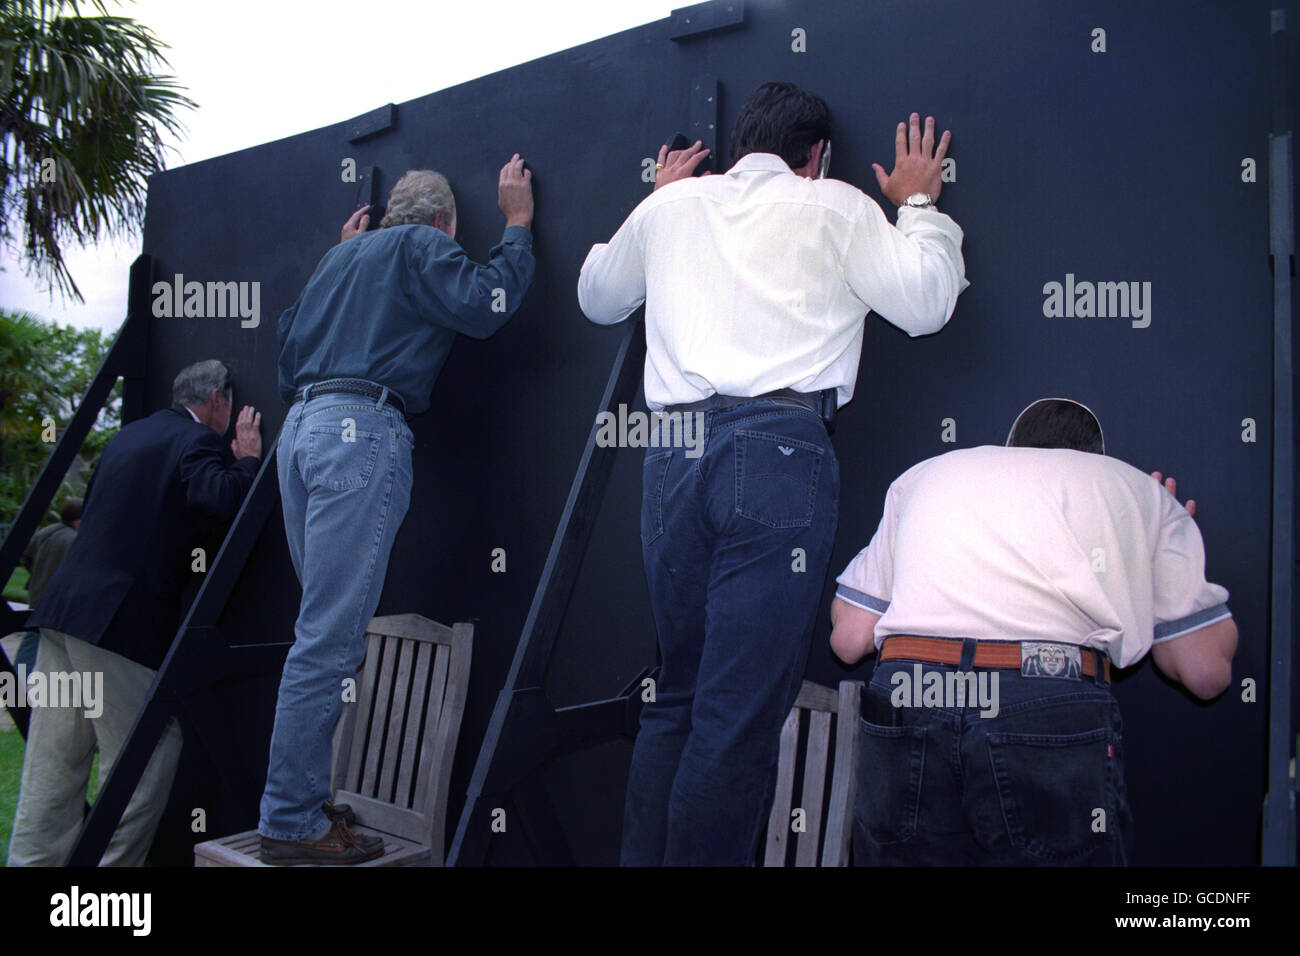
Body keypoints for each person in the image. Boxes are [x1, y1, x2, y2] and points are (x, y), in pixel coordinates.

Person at [578, 81, 969, 865]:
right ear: (815, 154)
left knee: (675, 700)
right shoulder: (835, 204)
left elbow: (597, 296)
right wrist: (920, 205)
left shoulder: (669, 210)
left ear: (738, 146)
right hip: (779, 452)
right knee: (734, 717)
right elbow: (928, 304)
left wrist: (656, 203)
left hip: (673, 457)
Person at [262, 155, 535, 864]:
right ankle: (291, 820)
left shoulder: (339, 259)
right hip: (359, 430)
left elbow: (287, 357)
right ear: (443, 223)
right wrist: (517, 225)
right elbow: (488, 306)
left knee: (319, 633)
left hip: (299, 432)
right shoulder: (422, 245)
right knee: (328, 641)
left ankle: (301, 802)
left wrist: (346, 260)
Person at [830, 398, 1237, 865]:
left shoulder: (927, 474)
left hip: (912, 690)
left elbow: (848, 640)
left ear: (1010, 448)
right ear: (1096, 458)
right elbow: (1205, 672)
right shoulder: (1136, 492)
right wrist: (1141, 556)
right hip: (1041, 694)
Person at [8, 360, 262, 866]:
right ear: (216, 399)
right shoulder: (198, 442)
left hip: (61, 616)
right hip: (116, 627)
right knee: (146, 755)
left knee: (53, 764)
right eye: (228, 404)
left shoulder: (126, 440)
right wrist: (248, 459)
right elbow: (218, 499)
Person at [13, 496, 83, 673]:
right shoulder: (74, 540)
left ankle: (18, 677)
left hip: (38, 595)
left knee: (31, 642)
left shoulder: (45, 532)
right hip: (58, 601)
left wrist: (37, 573)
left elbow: (25, 557)